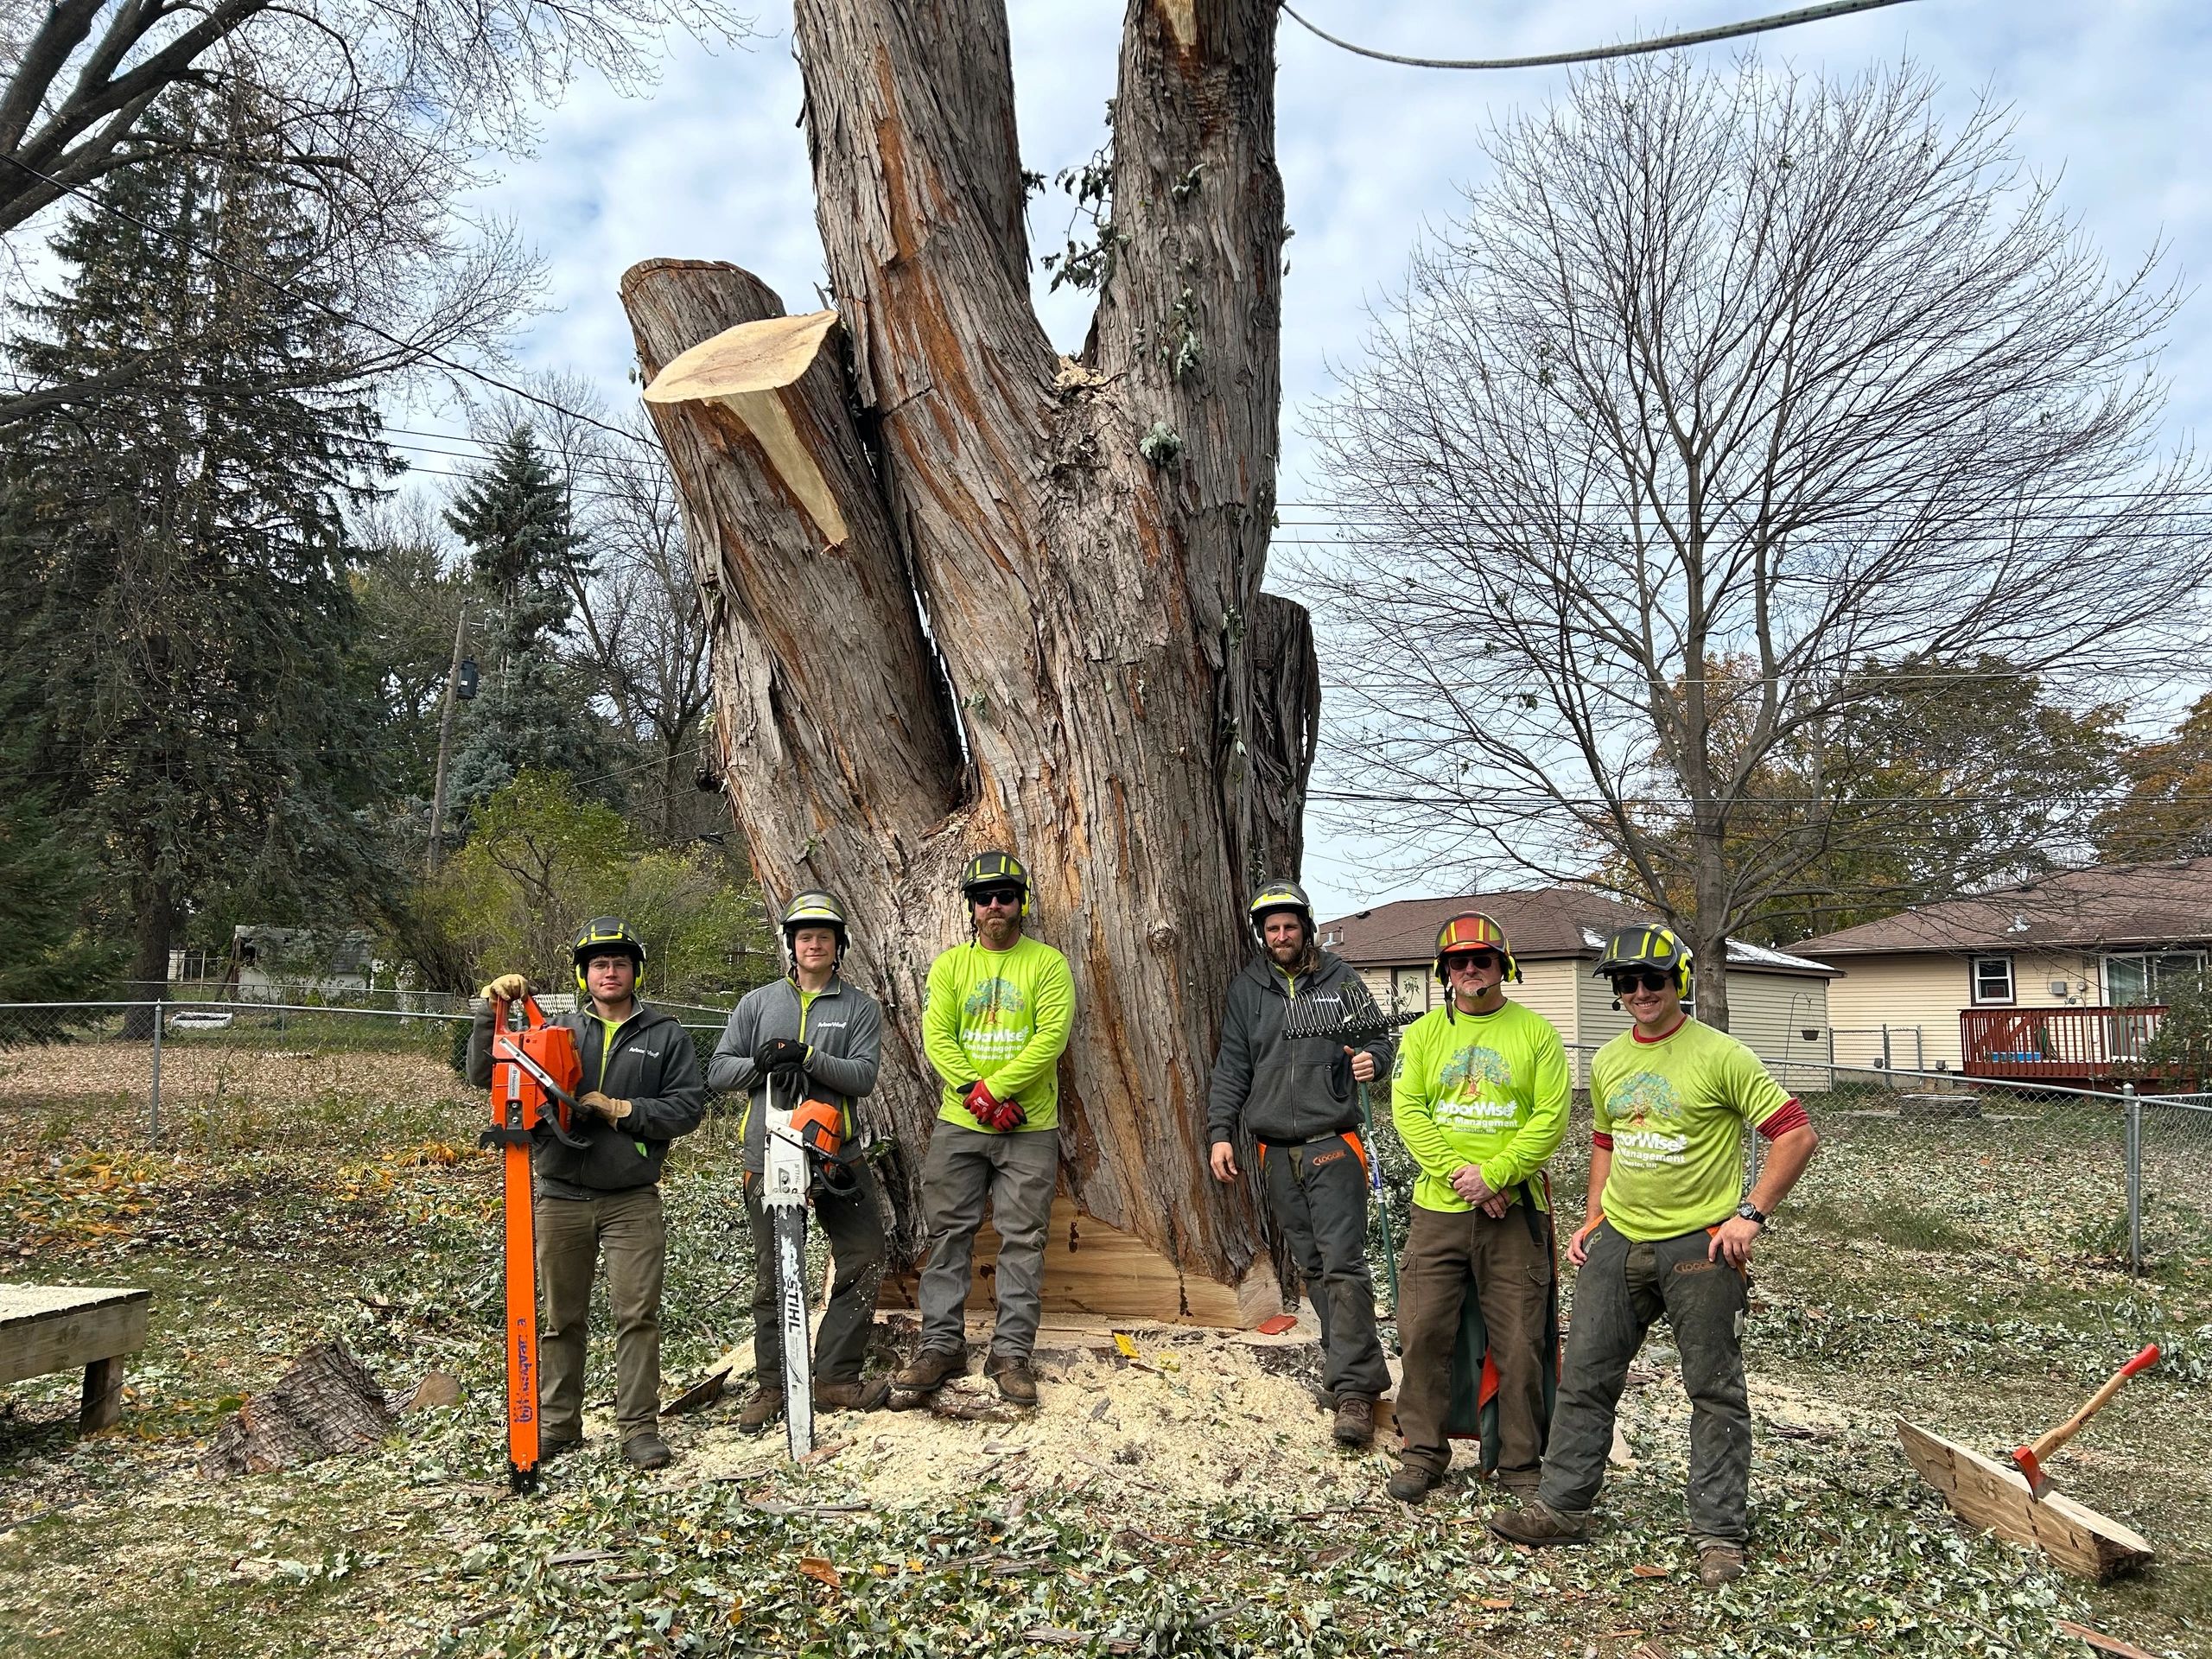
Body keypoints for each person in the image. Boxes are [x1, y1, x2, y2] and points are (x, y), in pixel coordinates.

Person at [1490, 925, 1820, 1588]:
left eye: (1653, 980)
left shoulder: (1722, 1055)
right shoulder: (1610, 1060)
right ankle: (1561, 1508)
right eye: (1626, 983)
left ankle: (1719, 1535)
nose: (1640, 992)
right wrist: (1594, 1217)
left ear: (1680, 985)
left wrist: (1750, 1215)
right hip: (1620, 1245)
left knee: (1715, 1393)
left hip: (1699, 1249)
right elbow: (1606, 1142)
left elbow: (1797, 1134)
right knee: (1585, 1378)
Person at [468, 917, 706, 1471]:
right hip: (560, 1194)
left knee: (637, 1315)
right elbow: (489, 1073)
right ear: (584, 974)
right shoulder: (557, 1031)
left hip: (631, 1198)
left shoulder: (666, 1035)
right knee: (559, 1318)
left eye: (619, 962)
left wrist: (624, 1111)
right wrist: (491, 1011)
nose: (609, 971)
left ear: (634, 971)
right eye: (599, 964)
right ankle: (556, 1425)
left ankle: (639, 1429)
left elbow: (689, 1108)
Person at [1386, 911, 1568, 1504]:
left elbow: (1551, 1118)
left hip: (1515, 1210)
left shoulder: (1536, 1034)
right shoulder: (1421, 1037)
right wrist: (1460, 1178)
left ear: (1502, 966)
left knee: (1519, 1341)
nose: (1471, 969)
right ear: (1445, 971)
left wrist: (1495, 1177)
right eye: (1459, 961)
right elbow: (1408, 1110)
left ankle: (1519, 1463)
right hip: (1437, 1210)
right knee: (1421, 1333)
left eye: (1482, 959)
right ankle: (1422, 1452)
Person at [1207, 877, 1395, 1448]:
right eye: (1272, 928)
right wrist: (1221, 1133)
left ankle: (1358, 1392)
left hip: (1333, 1143)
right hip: (1274, 1151)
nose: (1281, 935)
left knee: (1343, 1265)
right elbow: (1233, 1066)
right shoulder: (1248, 990)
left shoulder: (1341, 981)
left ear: (1306, 927)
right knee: (1312, 1268)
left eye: (1290, 925)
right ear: (1261, 935)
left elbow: (1380, 1043)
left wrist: (1373, 1061)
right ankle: (1348, 1376)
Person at [893, 851, 1076, 1408]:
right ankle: (940, 1345)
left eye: (1005, 895)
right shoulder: (950, 966)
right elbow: (936, 1038)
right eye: (983, 897)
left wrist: (995, 1092)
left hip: (1030, 1123)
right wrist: (979, 1096)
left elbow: (1052, 1038)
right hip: (960, 1123)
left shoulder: (1047, 963)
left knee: (1024, 1238)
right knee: (948, 1232)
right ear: (971, 907)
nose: (994, 905)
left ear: (1022, 902)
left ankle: (1011, 1353)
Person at [709, 889, 892, 1428]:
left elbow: (863, 1076)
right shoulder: (758, 1004)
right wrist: (764, 1064)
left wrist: (808, 1057)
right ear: (791, 944)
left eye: (824, 937)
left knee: (865, 1255)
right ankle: (773, 1386)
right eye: (804, 936)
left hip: (839, 1155)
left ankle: (835, 1376)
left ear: (839, 946)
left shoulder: (859, 1007)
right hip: (768, 1155)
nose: (814, 944)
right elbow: (717, 1072)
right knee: (774, 1276)